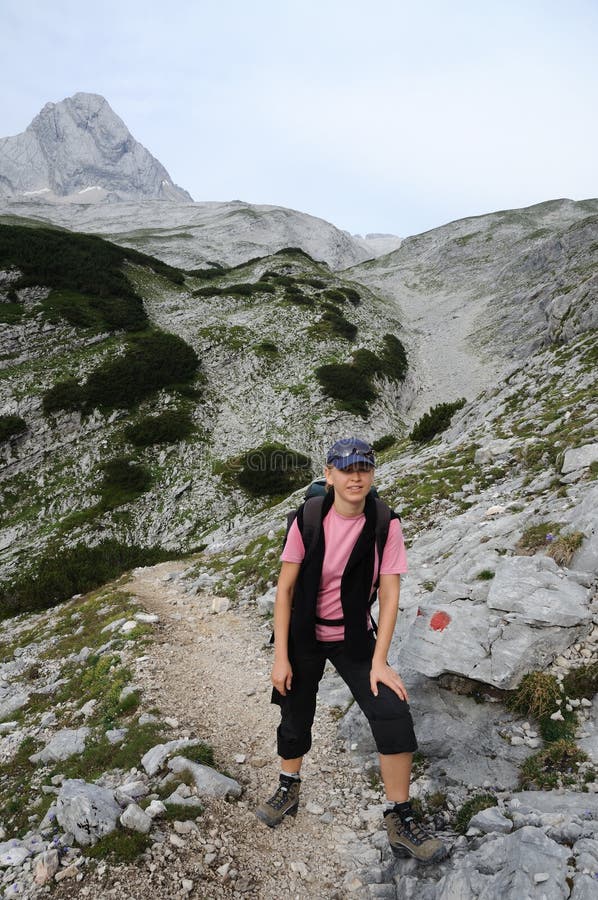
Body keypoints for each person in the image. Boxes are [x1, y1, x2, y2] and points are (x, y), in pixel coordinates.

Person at [255, 437, 446, 863]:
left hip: (354, 636)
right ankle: (289, 787)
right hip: (305, 631)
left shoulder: (385, 524)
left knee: (391, 710)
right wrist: (281, 656)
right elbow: (285, 591)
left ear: (372, 474)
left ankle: (400, 817)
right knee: (294, 708)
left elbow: (390, 595)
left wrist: (380, 661)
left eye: (363, 468)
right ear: (329, 475)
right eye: (346, 469)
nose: (355, 477)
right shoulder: (307, 519)